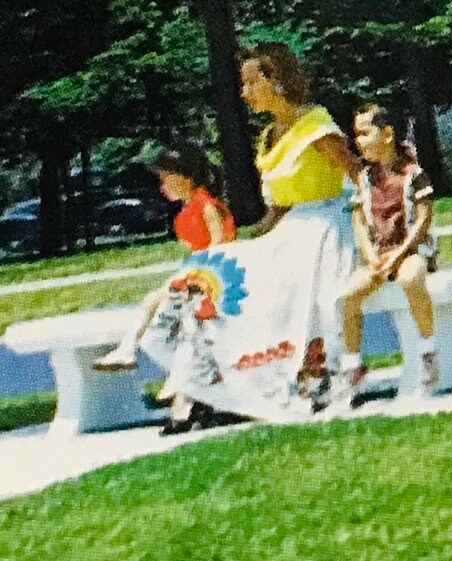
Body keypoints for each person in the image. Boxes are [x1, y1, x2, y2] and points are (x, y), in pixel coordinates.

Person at [127, 42, 362, 423]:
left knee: (289, 295)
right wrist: (254, 241)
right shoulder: (269, 135)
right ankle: (217, 383)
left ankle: (312, 376)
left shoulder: (316, 126)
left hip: (325, 228)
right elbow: (279, 206)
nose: (244, 92)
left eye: (252, 82)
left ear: (278, 81)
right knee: (224, 281)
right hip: (288, 230)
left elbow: (358, 176)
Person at [93, 143, 238, 429]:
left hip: (214, 281)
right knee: (153, 306)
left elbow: (221, 252)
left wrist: (194, 279)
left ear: (183, 175)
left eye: (165, 177)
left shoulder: (207, 207)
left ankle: (183, 384)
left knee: (184, 323)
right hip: (195, 276)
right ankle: (131, 350)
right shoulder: (187, 211)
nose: (161, 185)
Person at [339, 104, 441, 395]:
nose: (358, 140)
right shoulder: (363, 178)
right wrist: (371, 257)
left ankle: (428, 349)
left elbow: (422, 221)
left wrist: (399, 254)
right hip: (380, 256)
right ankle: (352, 364)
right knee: (347, 297)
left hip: (412, 252)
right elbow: (358, 221)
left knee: (411, 279)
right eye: (356, 134)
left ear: (386, 134)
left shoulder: (413, 174)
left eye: (364, 133)